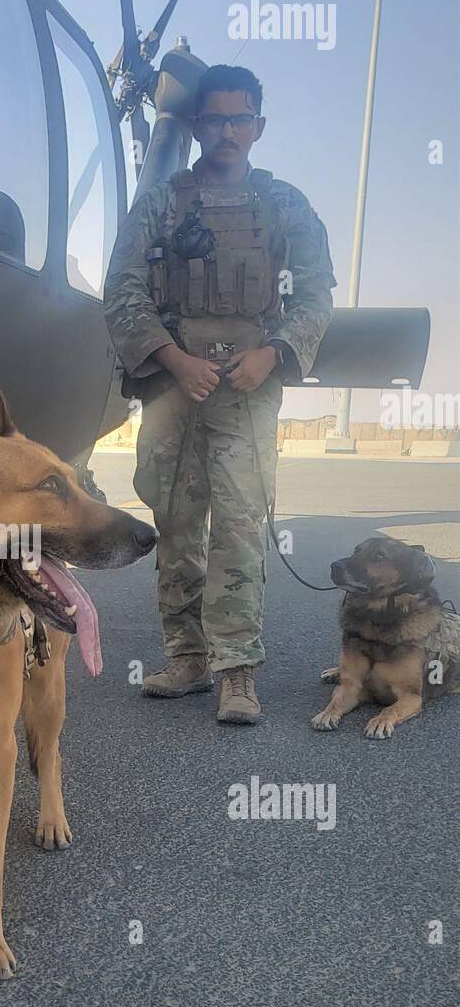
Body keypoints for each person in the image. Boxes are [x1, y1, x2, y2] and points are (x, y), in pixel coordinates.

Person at [104, 65, 335, 723]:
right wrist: (175, 360)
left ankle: (238, 671)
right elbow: (122, 288)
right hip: (175, 386)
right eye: (214, 120)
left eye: (240, 119)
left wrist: (274, 353)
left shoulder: (285, 205)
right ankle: (188, 658)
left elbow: (315, 293)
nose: (227, 131)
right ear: (198, 126)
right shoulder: (162, 202)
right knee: (175, 521)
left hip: (248, 385)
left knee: (237, 525)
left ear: (257, 127)